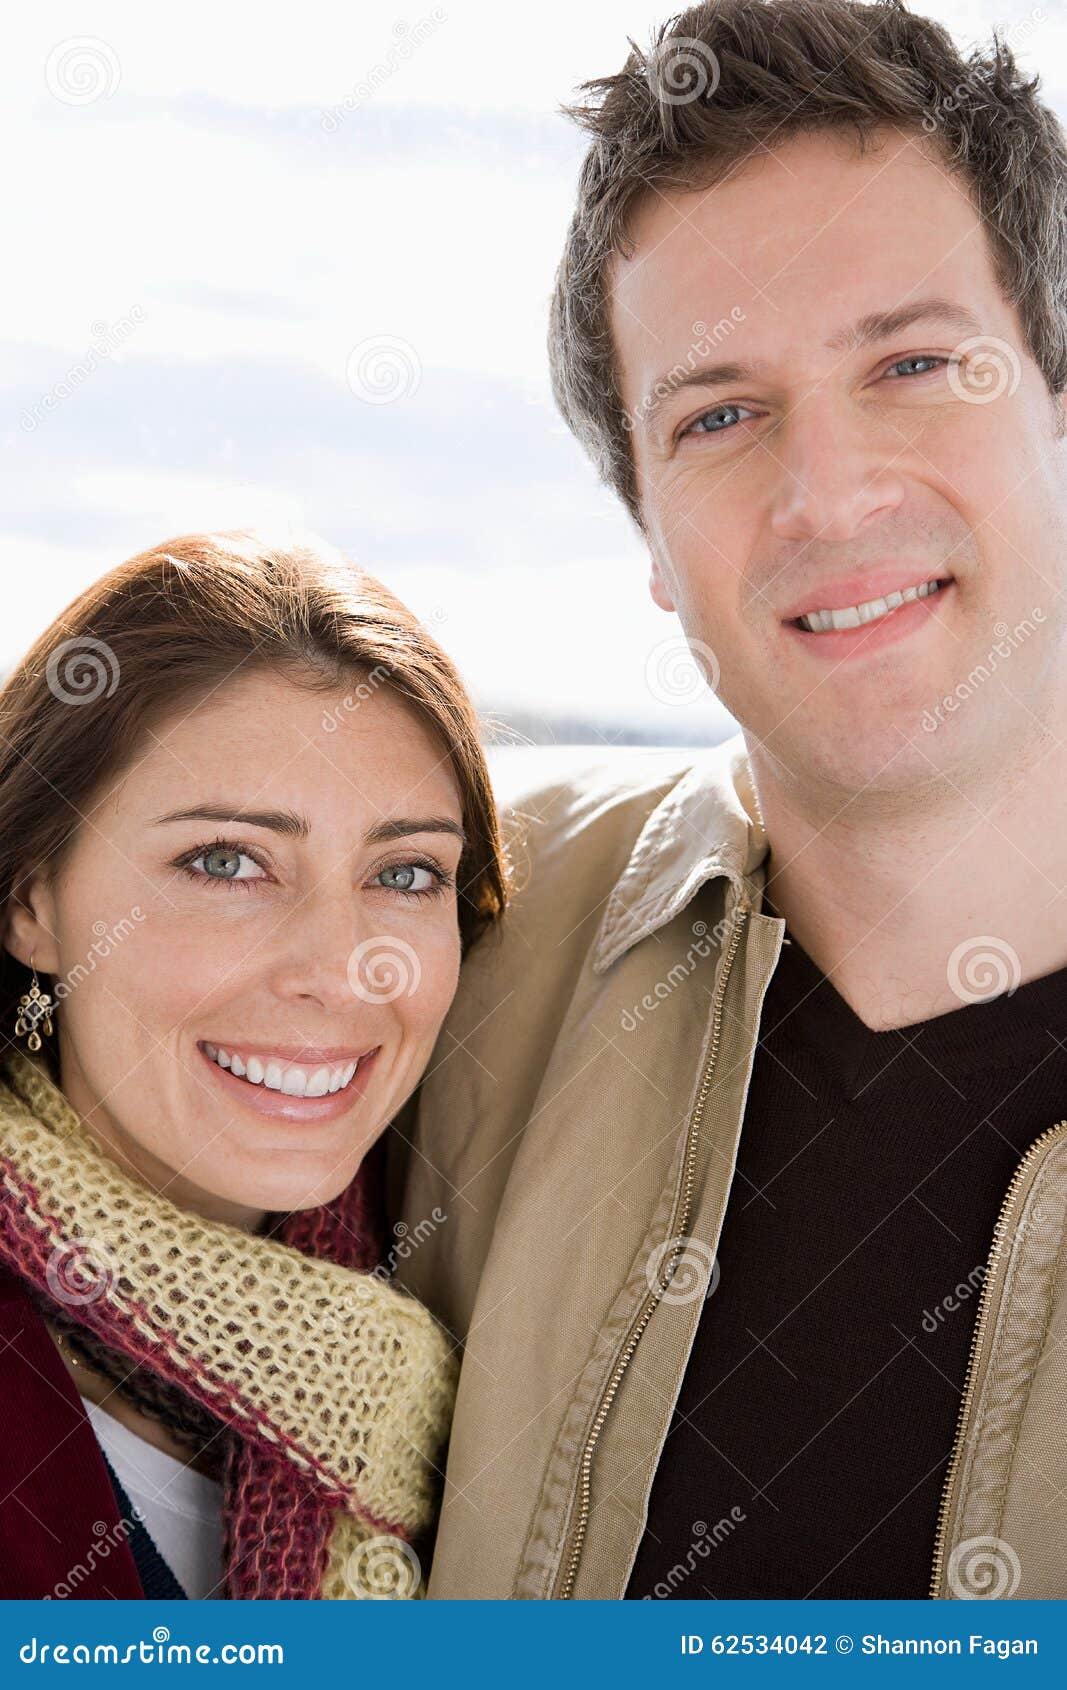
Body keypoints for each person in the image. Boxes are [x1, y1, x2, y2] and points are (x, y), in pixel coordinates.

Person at [391, 0, 1067, 1601]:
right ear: (644, 530)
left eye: (908, 362)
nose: (824, 493)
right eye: (715, 414)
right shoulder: (449, 933)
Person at [0, 529, 507, 1599]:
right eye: (226, 861)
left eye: (406, 872)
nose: (340, 969)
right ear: (30, 901)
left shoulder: (441, 1327)